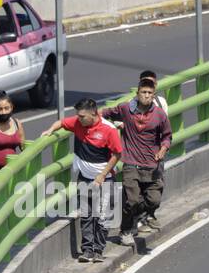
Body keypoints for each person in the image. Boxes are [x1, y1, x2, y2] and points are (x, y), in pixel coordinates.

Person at [41, 98, 122, 263]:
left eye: (82, 116)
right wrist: (50, 130)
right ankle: (87, 250)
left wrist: (102, 175)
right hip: (84, 178)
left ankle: (99, 249)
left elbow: (117, 154)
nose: (79, 119)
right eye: (78, 116)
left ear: (93, 114)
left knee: (102, 216)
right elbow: (62, 123)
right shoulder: (78, 123)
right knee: (86, 214)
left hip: (104, 179)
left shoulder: (109, 130)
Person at [100, 74, 172, 246]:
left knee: (153, 200)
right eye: (143, 92)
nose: (146, 95)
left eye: (149, 93)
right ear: (137, 93)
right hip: (131, 163)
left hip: (152, 165)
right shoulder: (125, 109)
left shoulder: (160, 115)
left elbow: (167, 136)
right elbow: (103, 114)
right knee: (131, 200)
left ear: (153, 95)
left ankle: (143, 217)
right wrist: (112, 125)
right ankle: (125, 230)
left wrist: (163, 149)